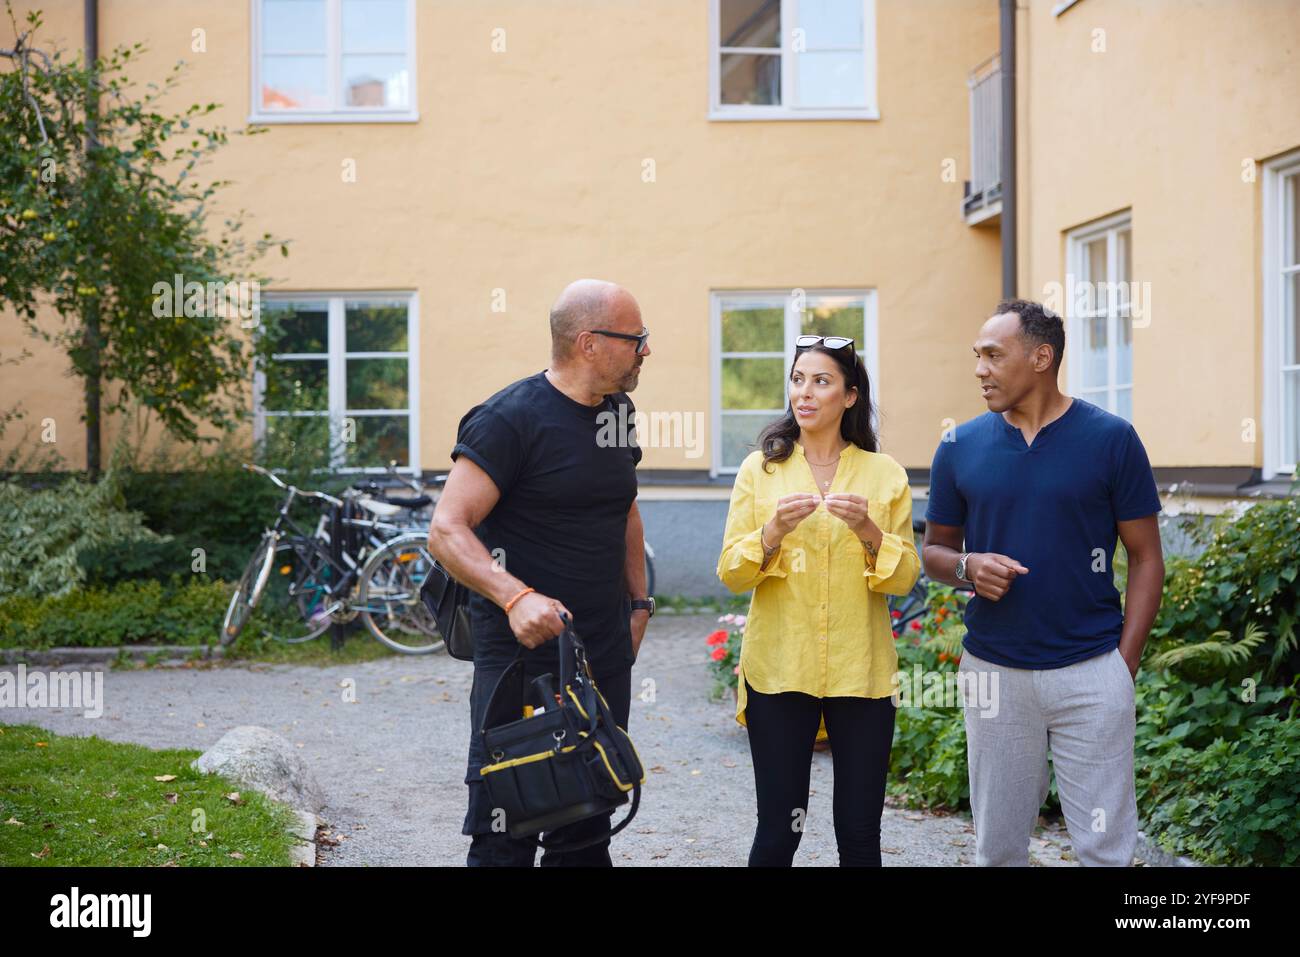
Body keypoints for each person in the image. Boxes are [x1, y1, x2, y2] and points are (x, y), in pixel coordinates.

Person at [922, 299, 1165, 867]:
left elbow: (1146, 557)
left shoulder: (1111, 439)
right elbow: (933, 551)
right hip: (994, 673)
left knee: (1105, 850)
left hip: (1091, 670)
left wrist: (1122, 664)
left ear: (1041, 357)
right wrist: (968, 567)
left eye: (992, 355)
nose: (979, 368)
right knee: (999, 849)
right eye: (976, 356)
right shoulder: (960, 445)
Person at [426, 278, 653, 866]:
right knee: (508, 828)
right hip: (521, 659)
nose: (646, 350)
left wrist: (639, 603)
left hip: (599, 652)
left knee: (587, 821)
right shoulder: (509, 419)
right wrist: (515, 596)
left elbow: (624, 506)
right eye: (636, 338)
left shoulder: (618, 413)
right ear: (589, 343)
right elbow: (447, 529)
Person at [716, 336, 920, 866]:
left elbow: (905, 579)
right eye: (798, 379)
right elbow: (731, 573)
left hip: (862, 672)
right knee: (779, 830)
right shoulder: (758, 471)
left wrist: (871, 532)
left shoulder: (885, 474)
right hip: (780, 667)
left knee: (859, 832)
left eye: (822, 381)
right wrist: (771, 533)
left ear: (850, 396)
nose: (805, 393)